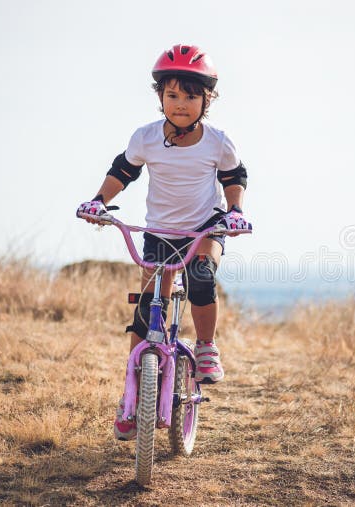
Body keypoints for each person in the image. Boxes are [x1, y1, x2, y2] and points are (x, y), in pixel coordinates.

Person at [76, 44, 252, 440]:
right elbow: (123, 170)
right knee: (147, 308)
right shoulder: (146, 138)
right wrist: (99, 201)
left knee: (201, 277)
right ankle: (134, 397)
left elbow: (233, 177)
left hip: (206, 228)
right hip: (159, 231)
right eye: (172, 95)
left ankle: (205, 346)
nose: (181, 104)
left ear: (207, 99)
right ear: (160, 97)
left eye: (191, 96)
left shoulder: (218, 142)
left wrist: (235, 209)